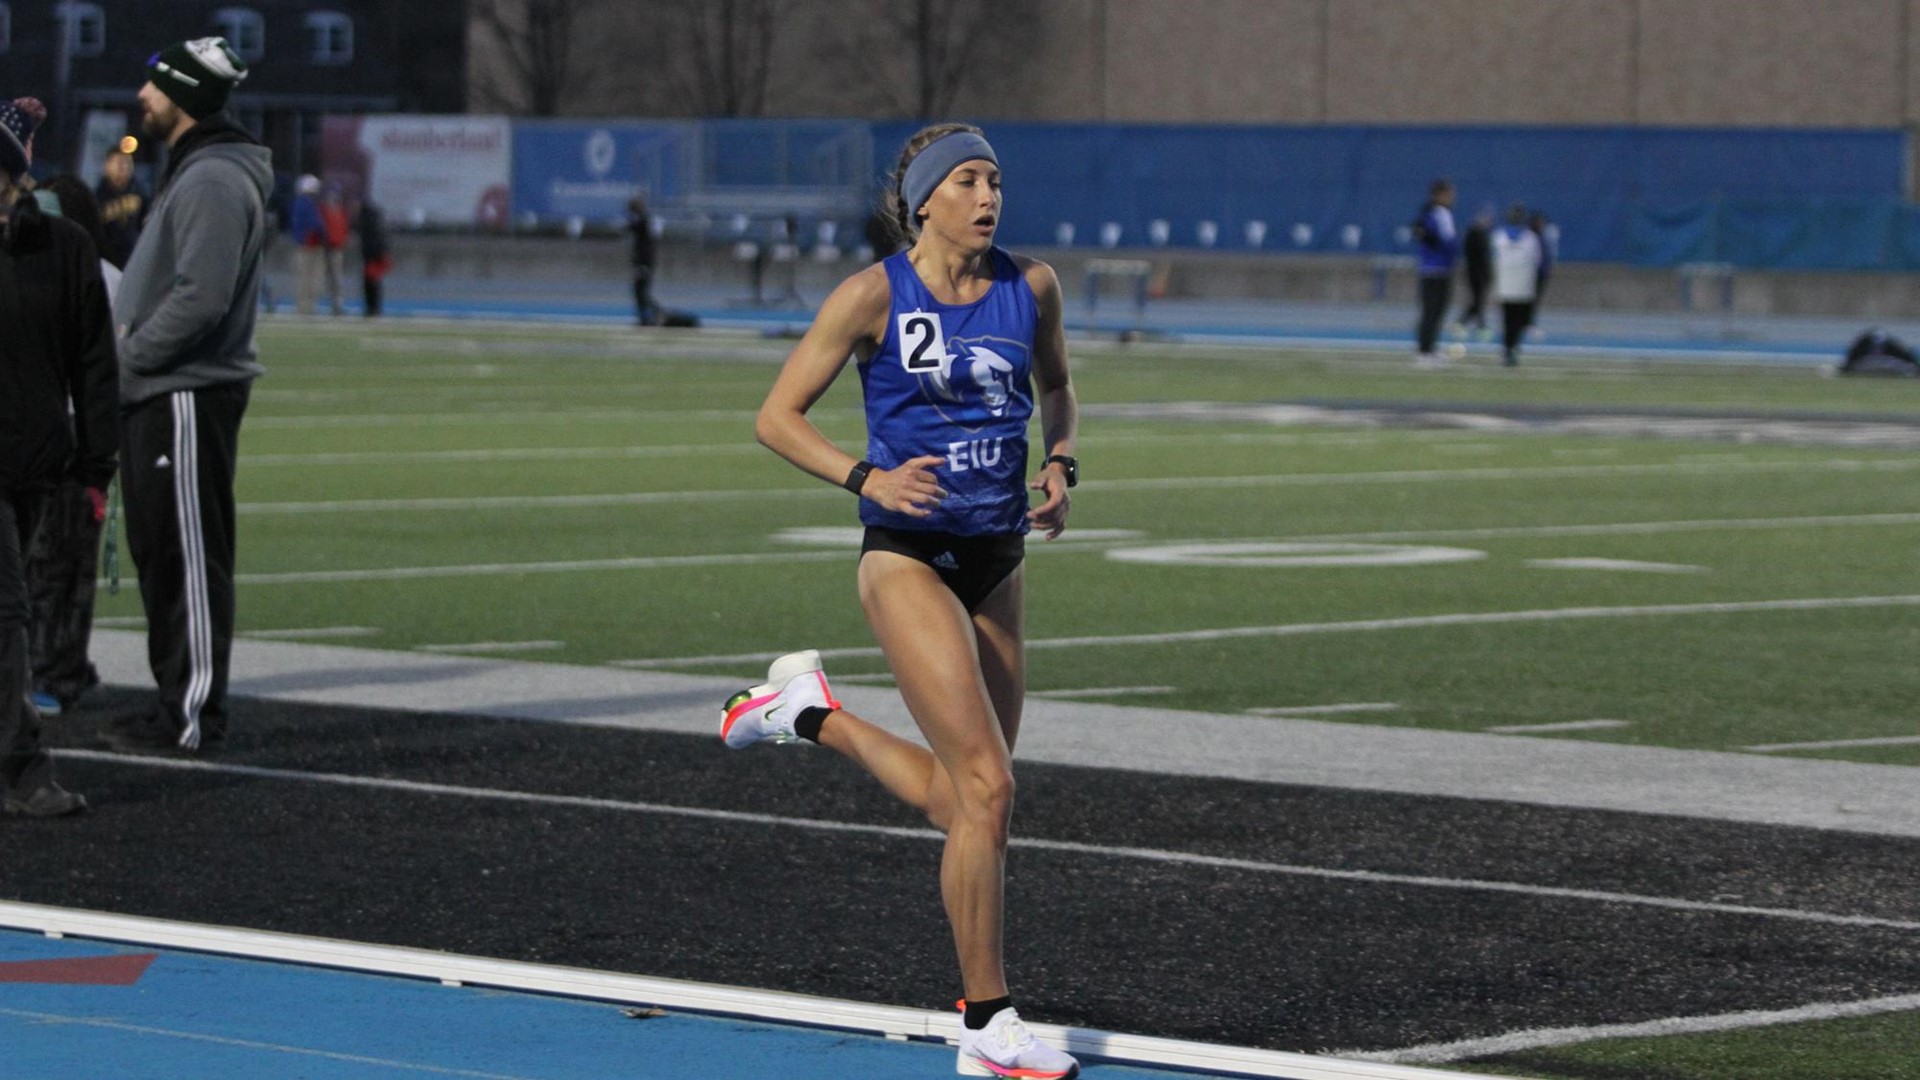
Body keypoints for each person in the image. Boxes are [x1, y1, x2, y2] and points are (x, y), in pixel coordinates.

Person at [723, 123, 1081, 1080]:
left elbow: (1056, 385)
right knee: (990, 789)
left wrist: (1061, 463)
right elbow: (775, 418)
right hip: (907, 556)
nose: (988, 196)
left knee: (967, 803)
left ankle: (808, 715)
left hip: (997, 556)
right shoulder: (872, 295)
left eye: (995, 179)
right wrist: (865, 477)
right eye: (967, 180)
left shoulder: (1032, 285)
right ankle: (987, 1024)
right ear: (925, 201)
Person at [100, 38, 271, 755]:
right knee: (163, 554)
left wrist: (126, 360)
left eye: (157, 86)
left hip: (185, 392)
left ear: (186, 97)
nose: (143, 98)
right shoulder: (198, 170)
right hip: (165, 390)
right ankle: (175, 703)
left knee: (187, 558)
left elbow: (201, 299)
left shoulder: (212, 180)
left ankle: (192, 714)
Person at [0, 95, 116, 816]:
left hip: (35, 463)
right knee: (8, 609)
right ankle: (22, 769)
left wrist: (96, 463)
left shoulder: (65, 248)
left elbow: (94, 360)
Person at [24, 175, 122, 717]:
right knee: (63, 565)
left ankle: (51, 671)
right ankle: (58, 669)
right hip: (63, 436)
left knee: (54, 563)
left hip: (62, 437)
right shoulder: (102, 274)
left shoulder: (92, 275)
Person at [1411, 178, 1459, 365]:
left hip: (1435, 268)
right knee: (1431, 311)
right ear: (1440, 195)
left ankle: (1429, 348)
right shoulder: (1439, 214)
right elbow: (1447, 241)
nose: (1452, 197)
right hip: (1436, 269)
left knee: (1436, 311)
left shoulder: (1429, 213)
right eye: (1449, 194)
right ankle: (1424, 352)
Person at [1492, 202, 1543, 367]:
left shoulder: (1499, 236)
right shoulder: (1530, 238)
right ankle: (1512, 348)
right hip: (1522, 285)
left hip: (1506, 284)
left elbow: (1493, 259)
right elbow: (1537, 261)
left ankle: (1507, 349)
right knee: (1518, 320)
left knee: (1508, 319)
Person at [94, 149, 146, 269]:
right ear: (107, 166)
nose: (124, 167)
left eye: (127, 163)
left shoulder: (139, 195)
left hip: (131, 261)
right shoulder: (96, 198)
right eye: (119, 163)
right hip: (104, 261)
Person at [289, 173, 326, 315]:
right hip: (309, 245)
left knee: (305, 277)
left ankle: (304, 305)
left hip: (304, 245)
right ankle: (307, 306)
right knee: (310, 278)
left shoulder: (300, 203)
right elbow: (315, 224)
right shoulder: (307, 204)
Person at [1455, 204, 1493, 337]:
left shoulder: (1482, 235)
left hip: (1480, 273)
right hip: (1475, 273)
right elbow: (1478, 257)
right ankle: (1469, 323)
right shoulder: (1473, 235)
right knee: (1477, 300)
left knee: (1479, 300)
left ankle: (1475, 323)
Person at [626, 193, 657, 326]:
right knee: (639, 291)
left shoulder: (643, 221)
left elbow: (632, 228)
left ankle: (649, 316)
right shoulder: (642, 221)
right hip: (643, 262)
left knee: (641, 291)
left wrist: (642, 265)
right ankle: (645, 317)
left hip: (644, 262)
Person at [357, 197, 391, 317]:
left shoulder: (367, 223)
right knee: (374, 283)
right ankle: (374, 307)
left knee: (371, 284)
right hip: (375, 256)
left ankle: (372, 308)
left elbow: (372, 242)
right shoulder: (376, 222)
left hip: (372, 257)